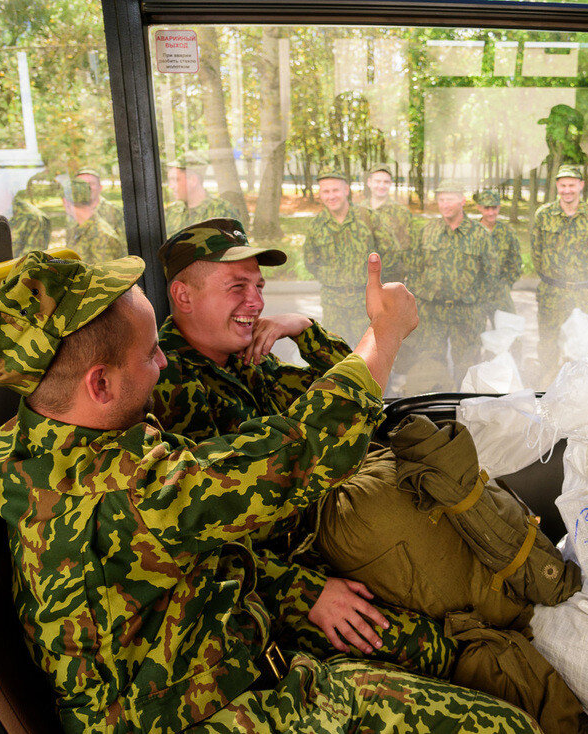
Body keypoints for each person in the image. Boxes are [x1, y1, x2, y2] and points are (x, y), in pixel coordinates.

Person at [0, 249, 541, 734]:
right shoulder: (130, 487)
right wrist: (385, 334)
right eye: (150, 355)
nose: (163, 362)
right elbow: (300, 447)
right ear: (99, 384)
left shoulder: (26, 444)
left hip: (219, 652)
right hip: (205, 710)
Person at [152, 218, 457, 673]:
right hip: (265, 589)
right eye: (237, 287)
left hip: (322, 538)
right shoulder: (165, 385)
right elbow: (188, 539)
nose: (255, 302)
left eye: (258, 286)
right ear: (184, 296)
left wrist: (304, 330)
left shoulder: (246, 359)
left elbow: (351, 413)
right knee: (436, 647)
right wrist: (306, 594)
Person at [405, 181, 494, 391]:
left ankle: (466, 410)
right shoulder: (428, 231)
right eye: (441, 199)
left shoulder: (479, 234)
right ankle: (435, 411)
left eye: (450, 199)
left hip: (467, 314)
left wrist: (475, 302)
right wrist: (423, 297)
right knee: (431, 365)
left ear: (462, 200)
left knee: (467, 366)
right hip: (432, 313)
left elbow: (490, 274)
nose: (445, 204)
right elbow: (415, 268)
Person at [530, 164, 588, 379]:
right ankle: (545, 387)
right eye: (563, 185)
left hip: (581, 294)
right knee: (548, 343)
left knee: (579, 344)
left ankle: (576, 387)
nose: (567, 190)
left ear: (581, 185)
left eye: (572, 185)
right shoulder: (544, 215)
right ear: (556, 186)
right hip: (551, 292)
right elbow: (536, 253)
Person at [303, 169, 376, 345]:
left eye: (335, 190)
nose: (331, 196)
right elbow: (310, 262)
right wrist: (332, 279)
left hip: (363, 302)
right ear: (320, 194)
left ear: (346, 190)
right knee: (336, 354)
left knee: (367, 355)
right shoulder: (316, 225)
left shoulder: (367, 218)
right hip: (332, 303)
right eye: (325, 192)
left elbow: (390, 255)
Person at [360, 163, 413, 283]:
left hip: (391, 278)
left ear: (390, 184)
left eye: (386, 182)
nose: (381, 186)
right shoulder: (358, 211)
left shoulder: (401, 212)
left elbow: (408, 247)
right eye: (377, 181)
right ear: (369, 182)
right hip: (362, 279)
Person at [474, 189, 522, 319]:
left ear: (499, 208)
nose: (490, 212)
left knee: (509, 332)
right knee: (473, 336)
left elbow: (516, 262)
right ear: (479, 208)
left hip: (500, 292)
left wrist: (506, 285)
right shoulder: (471, 233)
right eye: (486, 208)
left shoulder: (508, 232)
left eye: (494, 208)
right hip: (476, 294)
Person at [165, 151, 240, 233]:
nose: (171, 186)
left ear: (193, 180)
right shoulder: (172, 211)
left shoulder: (223, 211)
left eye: (175, 180)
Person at [64, 172, 123, 262]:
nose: (86, 188)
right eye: (82, 184)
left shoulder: (115, 212)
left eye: (91, 184)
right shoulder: (72, 214)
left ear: (100, 188)